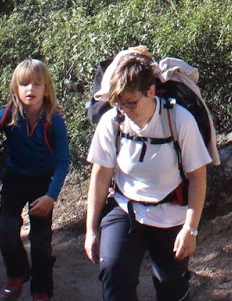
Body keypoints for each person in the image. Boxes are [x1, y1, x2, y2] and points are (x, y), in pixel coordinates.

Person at [84, 48, 210, 301]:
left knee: (171, 288)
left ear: (150, 92)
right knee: (113, 275)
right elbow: (100, 176)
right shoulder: (113, 121)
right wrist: (91, 230)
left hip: (170, 213)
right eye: (119, 102)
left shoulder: (179, 120)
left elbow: (197, 177)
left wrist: (191, 229)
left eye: (131, 102)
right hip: (125, 207)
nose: (125, 109)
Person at [0, 58, 72, 301]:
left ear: (46, 89)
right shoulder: (8, 114)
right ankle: (17, 274)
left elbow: (62, 161)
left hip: (42, 184)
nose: (30, 89)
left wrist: (50, 196)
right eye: (24, 84)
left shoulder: (53, 120)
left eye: (37, 84)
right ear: (15, 87)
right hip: (14, 180)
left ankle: (41, 291)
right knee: (6, 230)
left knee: (41, 242)